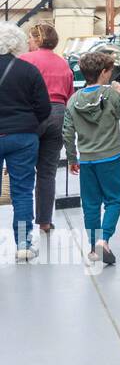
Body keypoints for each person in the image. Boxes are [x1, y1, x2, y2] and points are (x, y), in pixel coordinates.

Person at [62, 50, 120, 266]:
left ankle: (93, 248)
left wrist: (72, 158)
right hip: (110, 158)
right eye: (110, 71)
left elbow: (66, 132)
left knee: (91, 204)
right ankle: (104, 240)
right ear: (103, 72)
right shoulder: (111, 95)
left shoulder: (73, 100)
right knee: (114, 200)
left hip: (86, 160)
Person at [0, 21, 51, 261]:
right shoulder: (28, 70)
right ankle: (23, 244)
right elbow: (44, 108)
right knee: (21, 192)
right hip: (23, 136)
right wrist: (29, 125)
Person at [20, 22, 73, 234]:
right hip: (58, 115)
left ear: (37, 39)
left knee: (23, 170)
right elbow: (68, 95)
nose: (28, 42)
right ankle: (44, 220)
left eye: (30, 39)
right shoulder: (63, 64)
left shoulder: (25, 60)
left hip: (31, 114)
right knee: (47, 172)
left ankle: (23, 221)